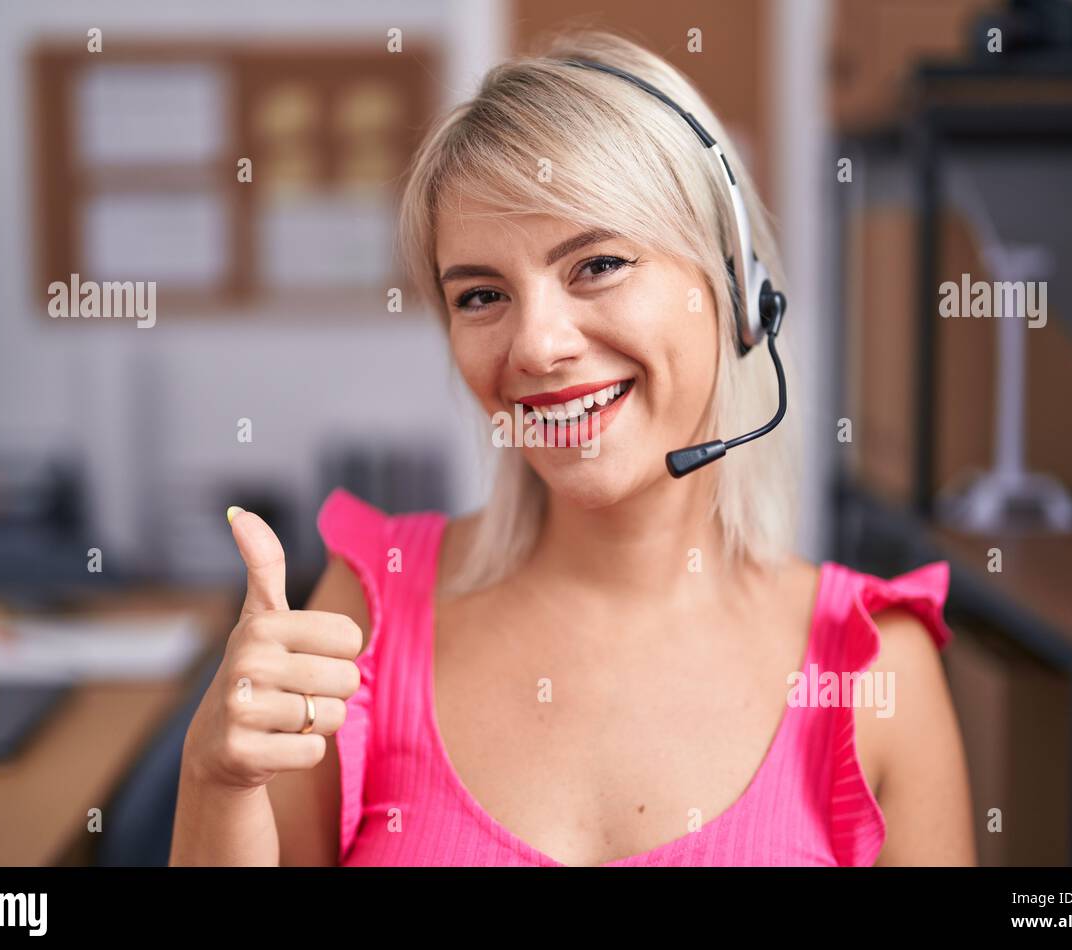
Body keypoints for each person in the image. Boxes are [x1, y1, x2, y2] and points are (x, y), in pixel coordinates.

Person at [170, 30, 975, 867]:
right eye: (482, 295)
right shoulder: (366, 610)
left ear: (736, 292)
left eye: (597, 265)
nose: (536, 346)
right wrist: (214, 781)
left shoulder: (878, 671)